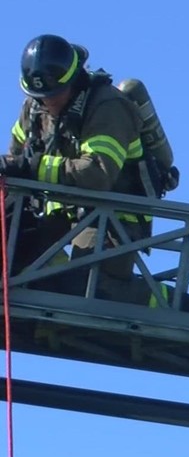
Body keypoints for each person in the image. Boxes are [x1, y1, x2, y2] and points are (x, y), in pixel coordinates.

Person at [0, 33, 150, 302]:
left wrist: (33, 167)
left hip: (111, 215)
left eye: (55, 94)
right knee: (20, 266)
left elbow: (98, 173)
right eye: (40, 96)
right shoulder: (34, 107)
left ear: (74, 79)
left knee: (88, 287)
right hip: (57, 214)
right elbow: (15, 163)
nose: (48, 102)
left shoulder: (107, 106)